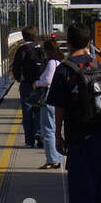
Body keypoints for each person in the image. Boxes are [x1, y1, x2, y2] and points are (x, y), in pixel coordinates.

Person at [47, 22, 101, 203]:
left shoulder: (64, 70)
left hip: (80, 133)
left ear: (68, 42)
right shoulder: (97, 66)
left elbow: (58, 106)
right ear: (88, 42)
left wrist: (58, 135)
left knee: (83, 177)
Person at [10, 25, 46, 148]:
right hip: (39, 85)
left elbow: (15, 67)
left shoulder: (22, 49)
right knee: (39, 110)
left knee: (27, 112)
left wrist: (20, 79)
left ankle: (29, 141)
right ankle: (39, 134)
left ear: (23, 36)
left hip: (26, 85)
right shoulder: (40, 48)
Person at [34, 37, 65, 170]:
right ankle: (56, 158)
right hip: (55, 99)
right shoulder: (59, 62)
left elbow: (48, 80)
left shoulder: (52, 62)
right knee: (52, 130)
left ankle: (52, 159)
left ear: (47, 51)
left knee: (48, 131)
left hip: (48, 100)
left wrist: (37, 83)